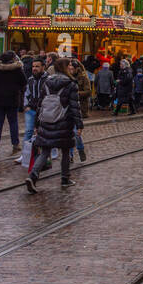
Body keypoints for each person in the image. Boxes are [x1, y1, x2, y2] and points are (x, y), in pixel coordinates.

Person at [26, 57, 83, 192]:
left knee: (45, 151)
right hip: (63, 122)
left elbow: (40, 104)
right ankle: (65, 179)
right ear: (64, 67)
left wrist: (37, 124)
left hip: (46, 121)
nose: (71, 67)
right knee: (64, 151)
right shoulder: (71, 84)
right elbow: (75, 107)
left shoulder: (46, 82)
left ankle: (33, 176)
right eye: (69, 65)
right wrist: (79, 125)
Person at [0, 50, 25, 155]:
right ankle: (15, 143)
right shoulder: (17, 69)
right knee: (13, 122)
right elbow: (23, 81)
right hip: (12, 99)